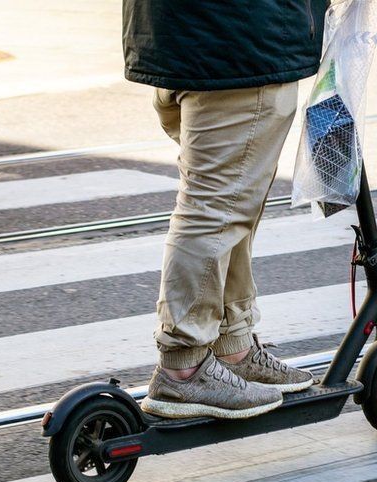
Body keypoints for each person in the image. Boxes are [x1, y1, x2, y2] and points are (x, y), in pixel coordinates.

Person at [122, 0, 329, 419]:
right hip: (238, 40)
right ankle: (185, 367)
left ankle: (231, 346)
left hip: (190, 36)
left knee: (230, 203)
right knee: (214, 207)